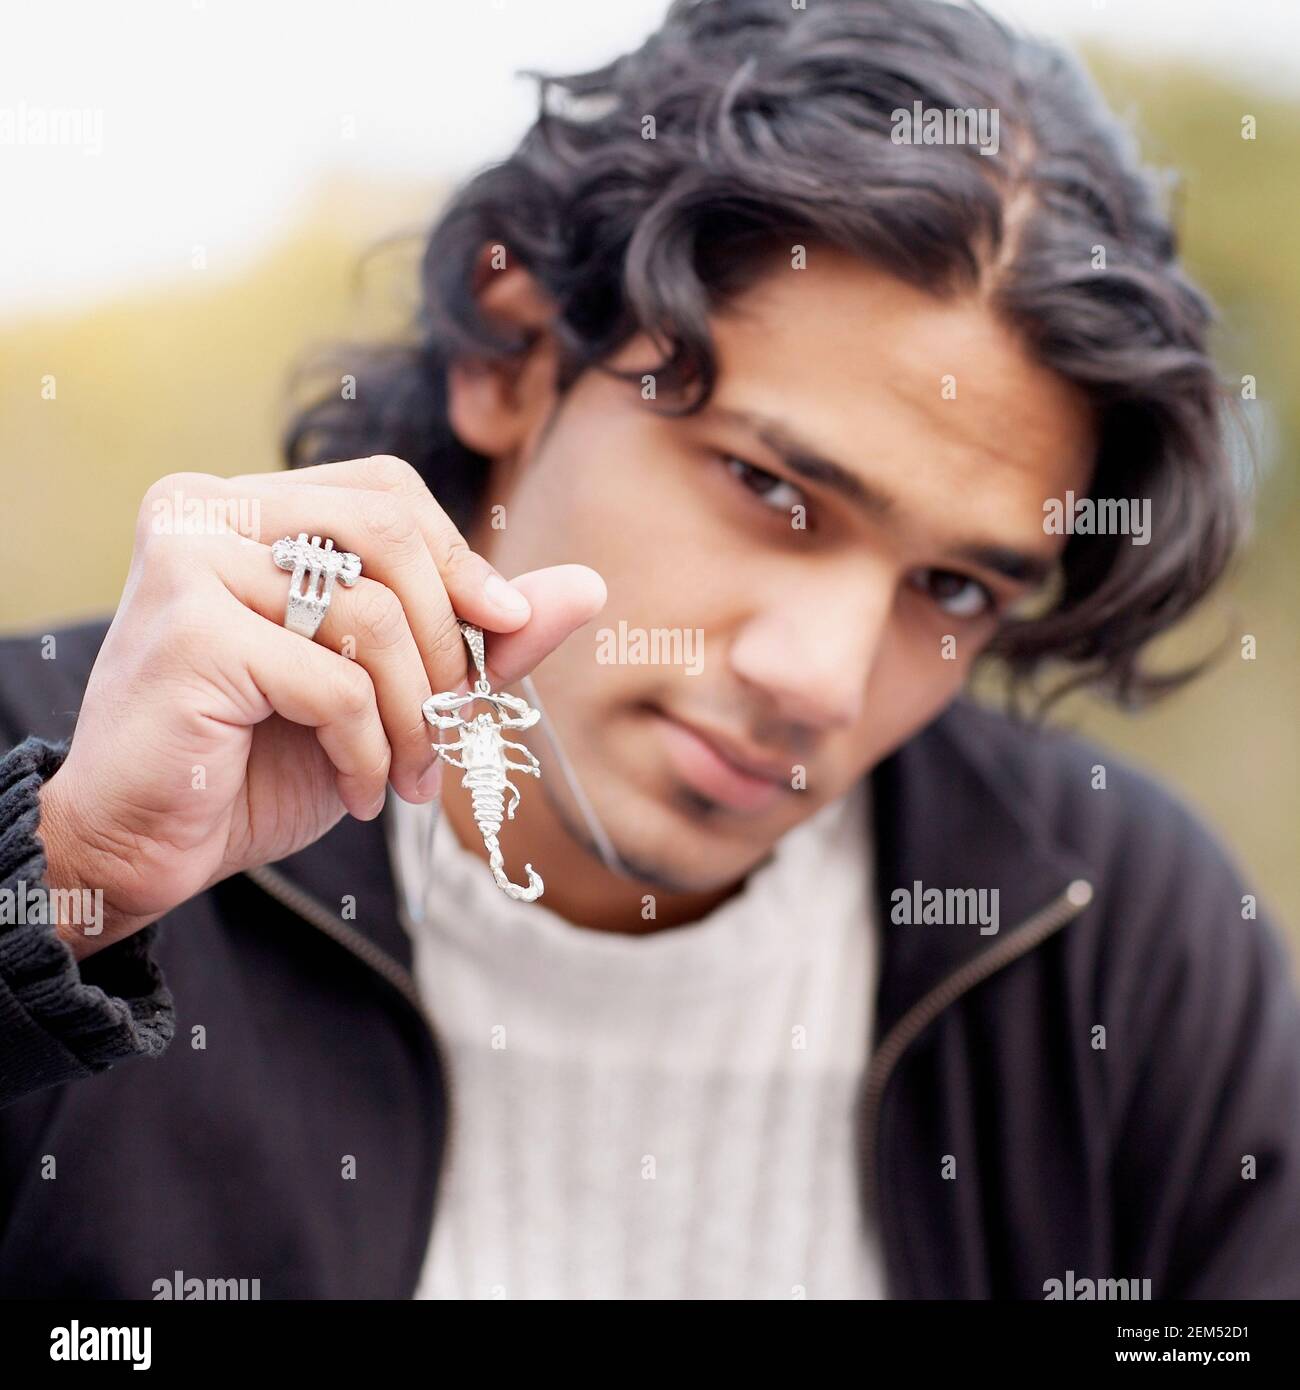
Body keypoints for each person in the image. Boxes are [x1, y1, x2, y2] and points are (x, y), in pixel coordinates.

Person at [1, 0, 1297, 1300]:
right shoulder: (52, 771)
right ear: (514, 351)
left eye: (953, 585)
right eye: (771, 488)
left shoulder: (1123, 941)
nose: (823, 678)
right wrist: (74, 884)